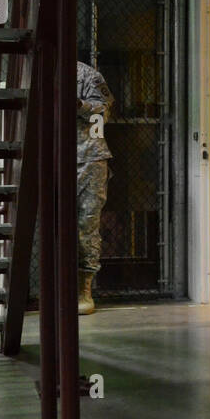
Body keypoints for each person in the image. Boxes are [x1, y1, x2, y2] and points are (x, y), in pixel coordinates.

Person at [76, 61, 113, 315]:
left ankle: (83, 289)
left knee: (87, 222)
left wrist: (80, 106)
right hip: (49, 155)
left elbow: (104, 111)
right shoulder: (33, 69)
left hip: (88, 156)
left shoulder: (87, 74)